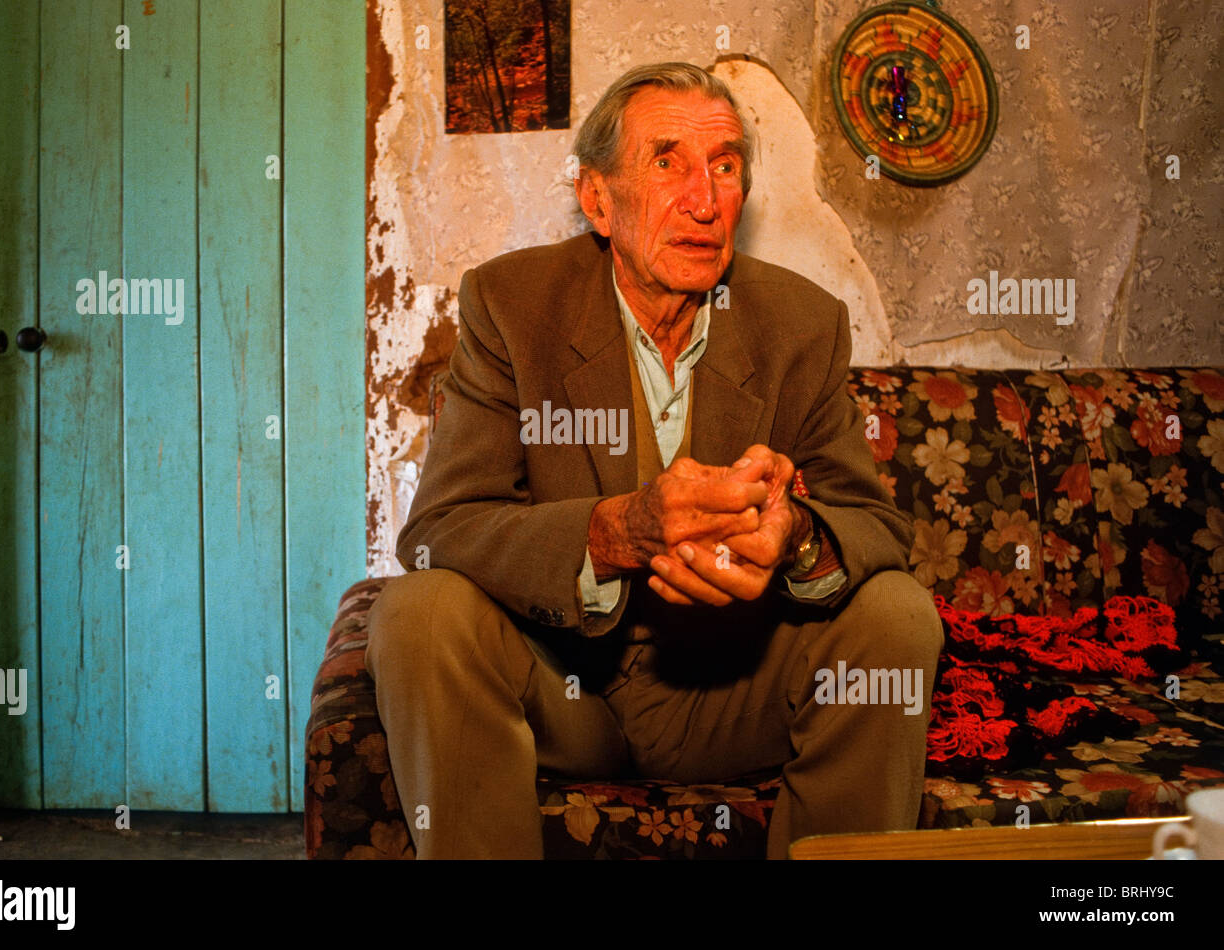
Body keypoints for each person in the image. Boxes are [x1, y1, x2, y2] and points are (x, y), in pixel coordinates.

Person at [367, 61, 944, 859]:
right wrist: (615, 532)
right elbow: (442, 528)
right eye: (667, 162)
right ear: (597, 198)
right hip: (561, 686)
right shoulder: (512, 306)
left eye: (725, 166)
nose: (704, 201)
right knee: (418, 612)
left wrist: (797, 537)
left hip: (730, 690)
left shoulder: (802, 323)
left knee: (898, 615)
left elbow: (873, 525)